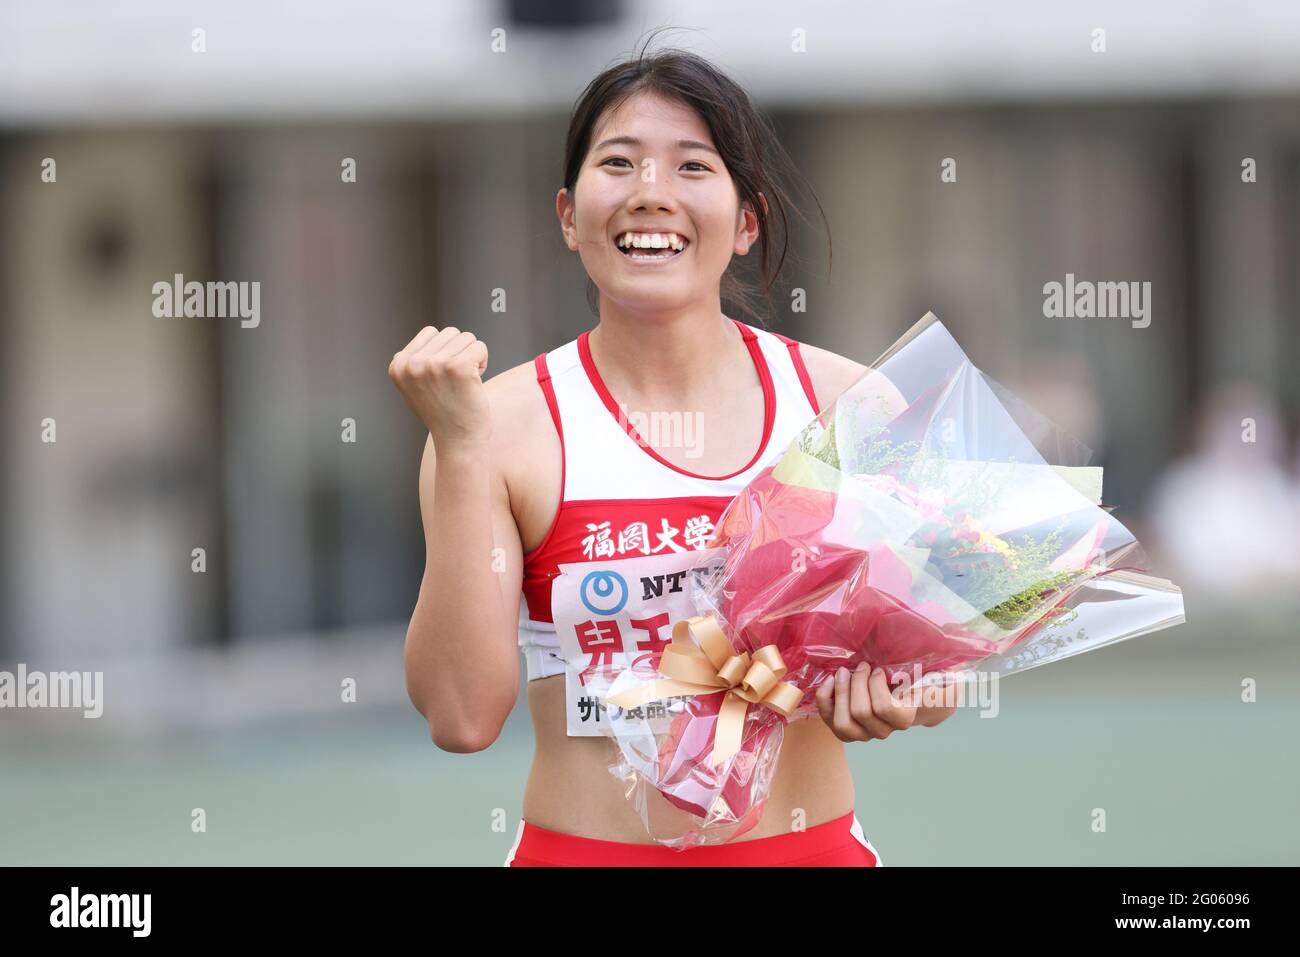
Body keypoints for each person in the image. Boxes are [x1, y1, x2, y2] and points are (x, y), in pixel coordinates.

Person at [389, 42, 957, 867]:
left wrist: (901, 694)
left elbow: (938, 671)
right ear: (567, 215)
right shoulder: (493, 426)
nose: (651, 195)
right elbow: (460, 717)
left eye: (693, 167)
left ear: (746, 220)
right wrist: (462, 451)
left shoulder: (846, 404)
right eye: (618, 163)